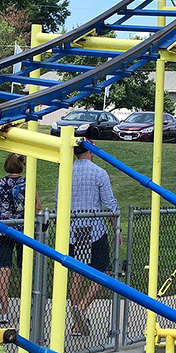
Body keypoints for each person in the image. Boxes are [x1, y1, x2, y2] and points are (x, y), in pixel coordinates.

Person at [66, 142, 118, 335]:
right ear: (89, 150)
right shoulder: (99, 173)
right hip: (94, 229)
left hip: (74, 229)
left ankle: (76, 318)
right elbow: (109, 203)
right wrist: (116, 229)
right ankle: (81, 310)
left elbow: (58, 199)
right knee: (101, 273)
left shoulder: (66, 172)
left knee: (77, 274)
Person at [0, 153, 41, 325]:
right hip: (23, 230)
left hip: (3, 230)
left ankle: (4, 311)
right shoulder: (29, 183)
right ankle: (27, 308)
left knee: (4, 269)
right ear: (21, 166)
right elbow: (37, 208)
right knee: (23, 269)